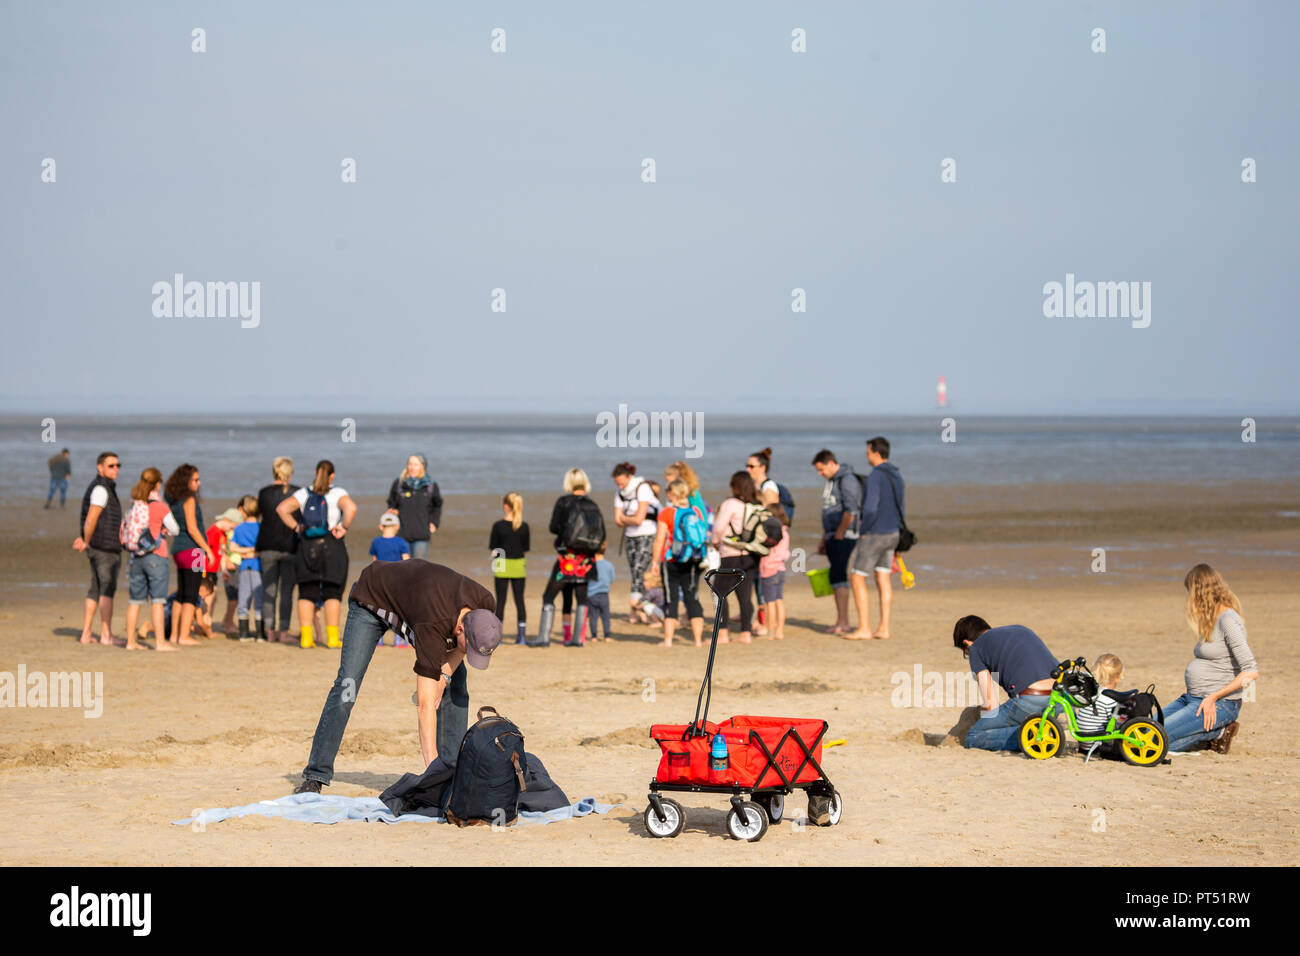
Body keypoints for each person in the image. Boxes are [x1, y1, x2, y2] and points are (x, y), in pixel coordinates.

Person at [293, 559, 502, 794]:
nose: (469, 652)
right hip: (372, 601)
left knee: (456, 686)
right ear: (461, 629)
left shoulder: (485, 606)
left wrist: (445, 675)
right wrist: (431, 769)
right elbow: (424, 706)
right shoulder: (432, 624)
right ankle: (315, 775)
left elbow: (460, 650)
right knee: (347, 686)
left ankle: (451, 773)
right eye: (470, 647)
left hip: (414, 601)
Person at [1164, 564, 1260, 754]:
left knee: (1153, 738)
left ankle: (1216, 734)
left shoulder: (1228, 620)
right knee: (1142, 726)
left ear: (1199, 592)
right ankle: (1215, 734)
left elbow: (1251, 671)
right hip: (1191, 699)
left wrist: (1213, 697)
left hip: (1219, 704)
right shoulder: (1212, 620)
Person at [278, 459, 357, 650]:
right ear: (332, 476)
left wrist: (297, 527)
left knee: (306, 592)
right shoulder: (337, 492)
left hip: (307, 545)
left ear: (315, 473)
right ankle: (331, 639)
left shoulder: (303, 493)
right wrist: (344, 526)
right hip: (332, 545)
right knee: (332, 593)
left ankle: (306, 639)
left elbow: (281, 509)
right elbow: (351, 508)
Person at [954, 615, 1059, 751]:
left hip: (1031, 699)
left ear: (967, 643)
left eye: (965, 653)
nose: (968, 655)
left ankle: (1032, 737)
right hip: (1058, 700)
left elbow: (991, 705)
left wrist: (985, 721)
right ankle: (1042, 729)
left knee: (973, 737)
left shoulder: (976, 649)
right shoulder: (1021, 629)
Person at [534, 468, 605, 647]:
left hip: (568, 557)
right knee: (581, 597)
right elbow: (601, 532)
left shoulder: (564, 502)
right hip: (586, 559)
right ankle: (577, 639)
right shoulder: (593, 504)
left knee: (549, 595)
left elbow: (553, 527)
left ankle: (543, 637)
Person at [845, 437, 904, 640]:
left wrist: (864, 529)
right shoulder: (897, 475)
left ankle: (864, 628)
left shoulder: (875, 476)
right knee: (883, 576)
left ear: (876, 453)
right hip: (893, 532)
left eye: (868, 451)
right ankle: (884, 628)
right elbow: (901, 506)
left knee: (857, 576)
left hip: (875, 532)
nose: (866, 455)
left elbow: (870, 507)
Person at [122, 467, 180, 652]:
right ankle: (160, 642)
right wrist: (164, 530)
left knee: (135, 601)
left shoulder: (135, 505)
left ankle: (130, 642)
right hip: (156, 555)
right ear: (157, 484)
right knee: (158, 600)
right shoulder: (159, 506)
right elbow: (175, 529)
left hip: (136, 556)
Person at [72, 451, 124, 645]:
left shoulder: (104, 488)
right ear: (100, 468)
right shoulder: (101, 489)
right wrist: (86, 540)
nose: (116, 469)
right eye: (111, 465)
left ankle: (86, 634)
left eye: (118, 465)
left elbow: (89, 518)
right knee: (106, 590)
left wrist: (86, 539)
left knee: (96, 588)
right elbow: (91, 518)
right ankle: (106, 634)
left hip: (100, 545)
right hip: (104, 547)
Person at [811, 449, 861, 635]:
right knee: (835, 575)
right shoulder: (831, 482)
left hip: (845, 536)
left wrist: (839, 534)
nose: (820, 473)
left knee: (839, 575)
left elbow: (851, 510)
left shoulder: (847, 480)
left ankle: (844, 622)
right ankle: (840, 620)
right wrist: (824, 538)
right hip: (832, 534)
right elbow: (828, 511)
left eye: (821, 469)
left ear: (831, 463)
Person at [164, 463, 213, 647]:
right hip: (193, 552)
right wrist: (207, 550)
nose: (199, 483)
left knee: (181, 594)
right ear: (186, 481)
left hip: (179, 550)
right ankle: (184, 635)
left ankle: (175, 635)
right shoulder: (189, 500)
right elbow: (193, 529)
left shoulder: (174, 501)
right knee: (191, 595)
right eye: (195, 480)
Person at [653, 477, 707, 647]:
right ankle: (698, 640)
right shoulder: (696, 511)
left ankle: (668, 640)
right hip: (693, 560)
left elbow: (659, 540)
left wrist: (655, 562)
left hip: (672, 560)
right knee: (692, 597)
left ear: (671, 493)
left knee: (671, 598)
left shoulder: (667, 513)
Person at [710, 471, 759, 644]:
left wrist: (715, 542)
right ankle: (746, 633)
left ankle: (722, 633)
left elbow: (719, 527)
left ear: (735, 486)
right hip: (750, 555)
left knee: (718, 594)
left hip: (731, 555)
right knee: (745, 596)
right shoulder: (754, 505)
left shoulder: (730, 503)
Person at [254, 457, 299, 644]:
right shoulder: (297, 492)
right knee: (287, 591)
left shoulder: (263, 493)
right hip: (290, 546)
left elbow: (259, 517)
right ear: (290, 473)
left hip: (267, 545)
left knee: (269, 590)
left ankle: (269, 632)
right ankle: (284, 633)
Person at [611, 463, 659, 626]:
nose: (620, 485)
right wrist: (629, 520)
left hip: (648, 534)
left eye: (622, 482)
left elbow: (639, 519)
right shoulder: (619, 493)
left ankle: (635, 605)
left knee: (639, 570)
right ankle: (640, 611)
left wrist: (626, 519)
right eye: (617, 483)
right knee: (635, 573)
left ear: (629, 477)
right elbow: (617, 521)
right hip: (630, 537)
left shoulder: (642, 487)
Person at [489, 492, 529, 645]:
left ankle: (498, 637)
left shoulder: (498, 526)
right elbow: (524, 549)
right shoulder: (524, 526)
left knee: (501, 601)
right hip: (518, 564)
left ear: (506, 506)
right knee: (520, 600)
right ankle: (522, 637)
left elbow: (494, 549)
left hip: (502, 564)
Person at [386, 454, 443, 560]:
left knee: (417, 567)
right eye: (410, 464)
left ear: (422, 466)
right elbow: (391, 502)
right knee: (402, 568)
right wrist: (392, 510)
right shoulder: (399, 484)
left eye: (416, 464)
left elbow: (438, 505)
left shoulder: (430, 485)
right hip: (401, 533)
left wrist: (435, 523)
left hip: (422, 533)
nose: (412, 467)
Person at [205, 507, 244, 636]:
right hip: (205, 570)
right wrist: (197, 569)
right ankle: (206, 623)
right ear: (227, 520)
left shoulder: (223, 534)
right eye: (232, 527)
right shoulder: (213, 532)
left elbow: (221, 554)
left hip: (214, 571)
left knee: (213, 596)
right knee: (209, 596)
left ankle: (206, 622)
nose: (232, 531)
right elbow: (200, 549)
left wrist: (224, 570)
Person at [229, 501, 263, 642]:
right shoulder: (261, 528)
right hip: (257, 566)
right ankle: (260, 634)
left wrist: (245, 551)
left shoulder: (239, 528)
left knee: (244, 597)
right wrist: (253, 551)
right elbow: (264, 548)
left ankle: (244, 633)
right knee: (259, 599)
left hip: (244, 566)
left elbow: (232, 547)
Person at [758, 502, 791, 640]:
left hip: (769, 570)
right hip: (781, 568)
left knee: (769, 602)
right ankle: (780, 631)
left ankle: (770, 631)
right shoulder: (785, 531)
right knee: (779, 601)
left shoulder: (773, 533)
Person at [1074, 654, 1124, 734]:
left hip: (1081, 739)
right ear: (1118, 677)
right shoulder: (1111, 700)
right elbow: (1114, 725)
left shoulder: (1089, 692)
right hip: (1097, 742)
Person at [585, 545, 615, 642]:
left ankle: (594, 636)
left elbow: (586, 579)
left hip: (591, 594)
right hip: (604, 594)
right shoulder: (609, 565)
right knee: (605, 616)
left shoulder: (590, 565)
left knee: (593, 616)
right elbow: (612, 579)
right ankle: (607, 636)